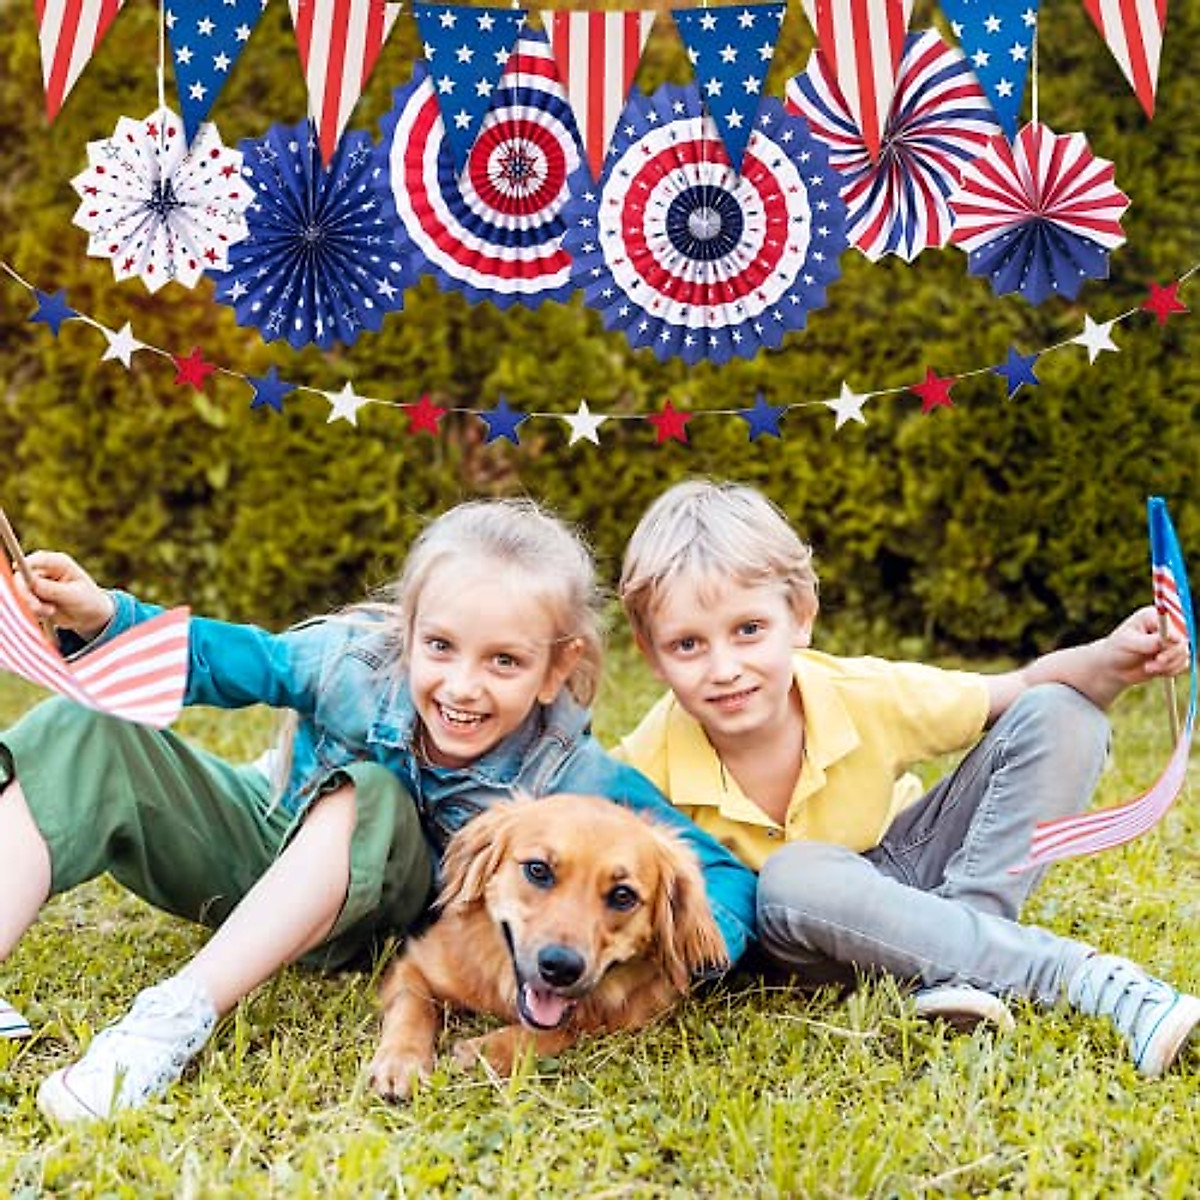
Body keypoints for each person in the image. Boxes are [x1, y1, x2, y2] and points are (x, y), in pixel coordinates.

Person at [0, 498, 756, 1121]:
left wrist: (673, 945)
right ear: (407, 632)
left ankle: (170, 1020)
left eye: (504, 661)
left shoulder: (571, 775)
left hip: (359, 912)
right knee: (85, 724)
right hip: (262, 856)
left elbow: (718, 877)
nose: (463, 686)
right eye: (440, 646)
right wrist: (106, 615)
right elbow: (226, 657)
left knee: (371, 791)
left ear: (558, 668)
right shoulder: (352, 662)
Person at [615, 479, 1198, 1078]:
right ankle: (1072, 975)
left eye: (749, 630)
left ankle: (964, 967)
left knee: (1064, 712)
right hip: (797, 935)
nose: (724, 668)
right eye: (688, 644)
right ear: (651, 654)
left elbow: (1023, 688)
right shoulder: (641, 767)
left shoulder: (860, 693)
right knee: (793, 876)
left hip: (903, 874)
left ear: (801, 617)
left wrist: (1113, 659)